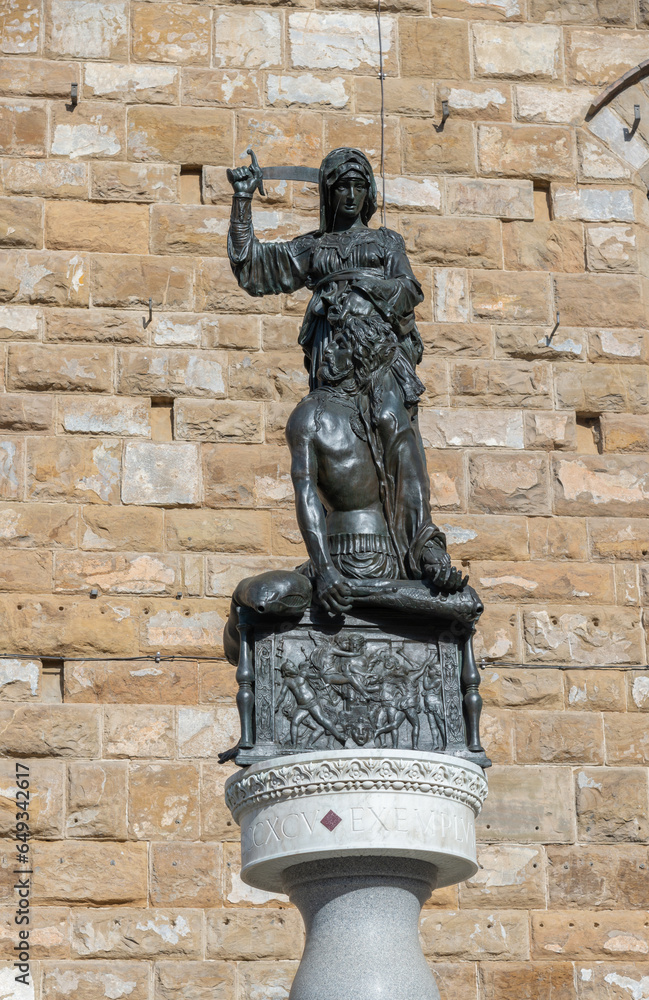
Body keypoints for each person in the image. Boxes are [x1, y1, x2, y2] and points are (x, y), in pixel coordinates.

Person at [286, 311, 467, 615]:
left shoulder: (370, 419)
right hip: (368, 561)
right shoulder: (319, 414)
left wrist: (434, 558)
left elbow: (411, 496)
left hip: (367, 560)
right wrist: (326, 571)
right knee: (462, 605)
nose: (328, 351)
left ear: (360, 357)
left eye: (341, 345)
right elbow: (305, 493)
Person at [227, 147, 424, 389]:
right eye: (342, 187)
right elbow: (252, 265)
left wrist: (366, 293)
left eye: (359, 187)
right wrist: (242, 198)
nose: (352, 195)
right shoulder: (313, 246)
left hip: (378, 340)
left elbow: (409, 288)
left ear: (368, 192)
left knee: (388, 417)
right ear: (329, 192)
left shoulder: (387, 241)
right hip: (330, 341)